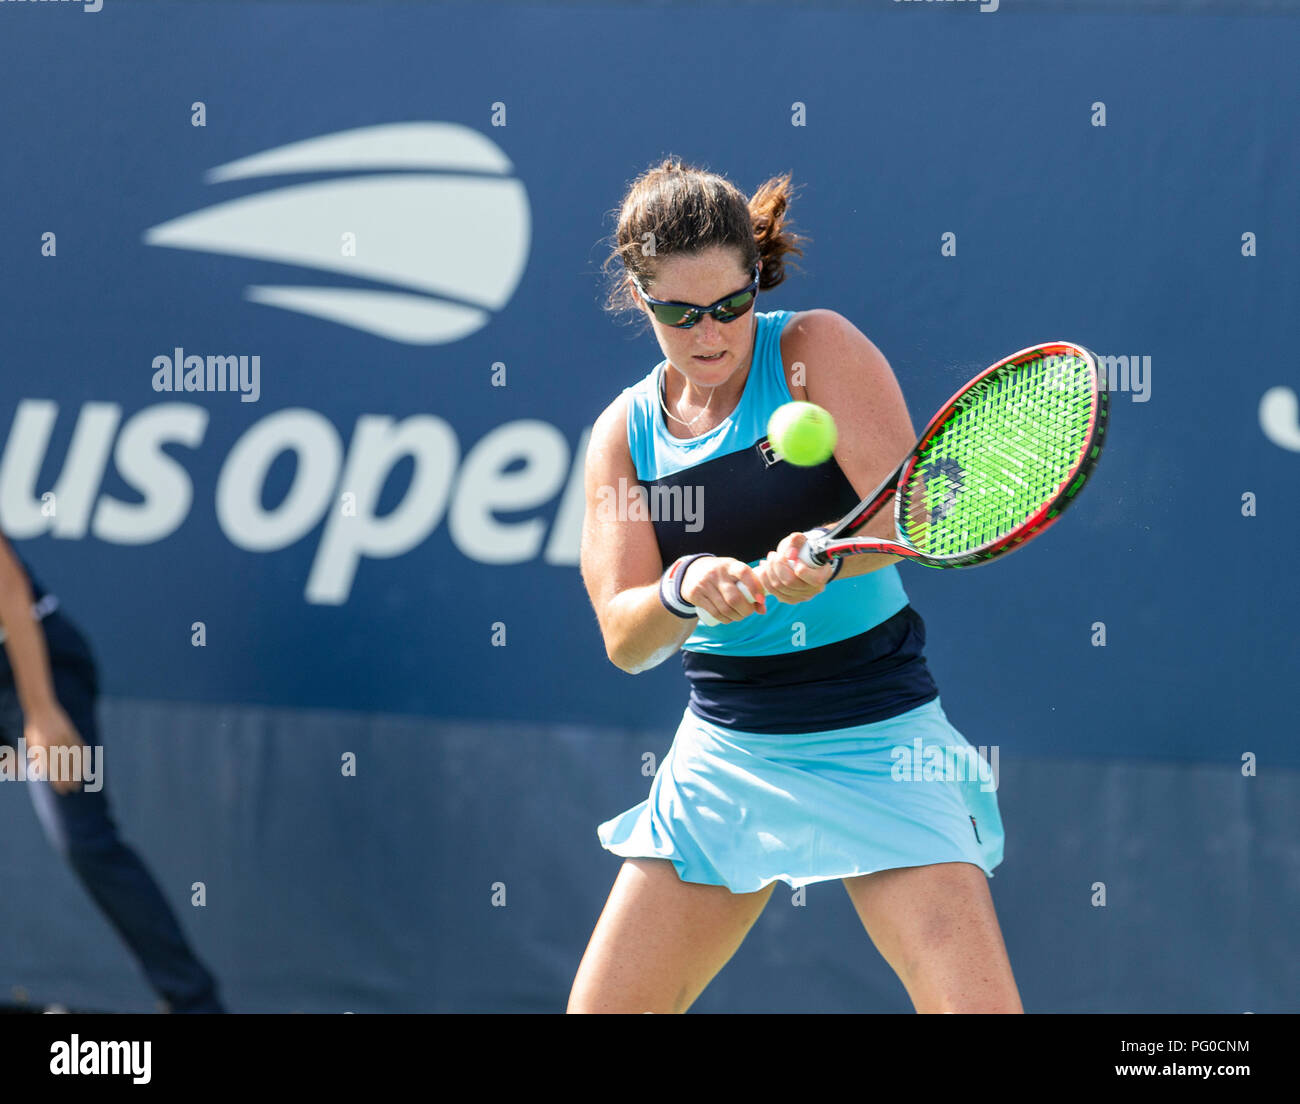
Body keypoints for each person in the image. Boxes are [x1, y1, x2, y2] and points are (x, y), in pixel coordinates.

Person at [568, 158, 1021, 1014]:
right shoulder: (623, 437)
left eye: (731, 306)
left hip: (880, 735)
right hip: (727, 751)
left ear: (756, 280)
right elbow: (624, 639)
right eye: (679, 312)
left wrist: (824, 553)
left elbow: (910, 520)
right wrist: (687, 586)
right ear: (639, 298)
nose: (710, 334)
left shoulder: (816, 348)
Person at [0, 532, 225, 1013]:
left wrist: (41, 711)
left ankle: (195, 1003)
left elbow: (9, 591)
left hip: (38, 669)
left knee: (84, 840)